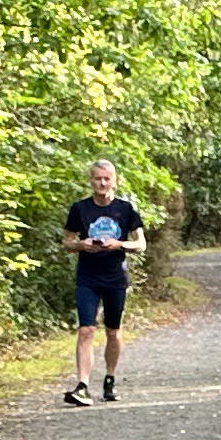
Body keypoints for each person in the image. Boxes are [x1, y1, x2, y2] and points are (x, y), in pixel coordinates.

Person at [62, 160, 144, 406]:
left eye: (107, 178)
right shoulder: (80, 209)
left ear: (114, 181)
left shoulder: (125, 209)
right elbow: (67, 242)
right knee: (86, 329)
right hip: (87, 276)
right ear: (91, 180)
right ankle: (82, 385)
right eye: (98, 178)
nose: (102, 183)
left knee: (112, 331)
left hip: (115, 277)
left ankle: (110, 379)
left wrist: (118, 244)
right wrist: (82, 245)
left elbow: (140, 244)